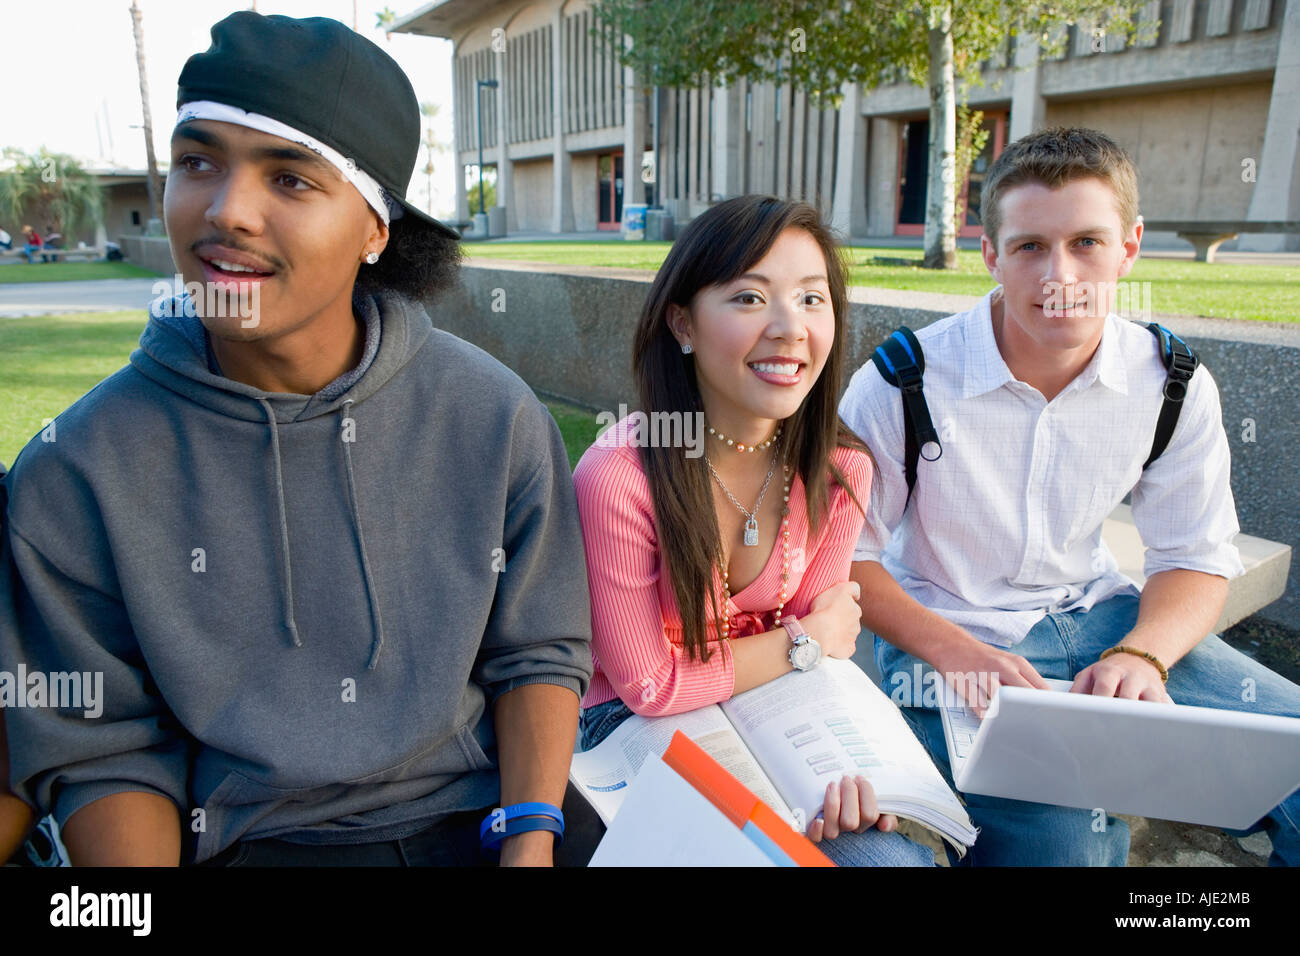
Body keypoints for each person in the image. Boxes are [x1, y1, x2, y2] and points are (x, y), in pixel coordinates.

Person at [0, 12, 595, 867]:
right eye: (197, 162)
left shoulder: (491, 413)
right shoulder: (77, 469)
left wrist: (526, 847)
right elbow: (103, 749)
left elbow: (537, 650)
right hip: (256, 844)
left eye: (289, 179)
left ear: (376, 230)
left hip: (499, 816)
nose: (227, 210)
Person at [841, 126, 1300, 866]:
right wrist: (955, 651)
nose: (1060, 274)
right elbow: (844, 560)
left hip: (1102, 620)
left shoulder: (1173, 381)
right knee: (1064, 849)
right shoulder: (901, 379)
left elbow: (1195, 554)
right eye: (1029, 246)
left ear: (1130, 246)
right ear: (989, 255)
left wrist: (1144, 656)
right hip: (946, 630)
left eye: (1087, 241)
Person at [573, 195, 935, 866]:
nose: (789, 328)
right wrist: (805, 642)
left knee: (890, 861)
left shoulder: (841, 469)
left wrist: (855, 767)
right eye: (748, 298)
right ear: (683, 324)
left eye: (810, 299)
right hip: (628, 726)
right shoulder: (619, 477)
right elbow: (649, 685)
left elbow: (818, 660)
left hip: (773, 711)